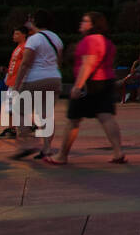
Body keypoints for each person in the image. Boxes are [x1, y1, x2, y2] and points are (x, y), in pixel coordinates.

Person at [48, 13, 125, 165]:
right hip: (106, 81)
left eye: (86, 21)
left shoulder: (90, 40)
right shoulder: (108, 42)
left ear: (94, 24)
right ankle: (118, 152)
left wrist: (77, 86)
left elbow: (88, 64)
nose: (82, 23)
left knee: (73, 120)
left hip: (90, 84)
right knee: (106, 116)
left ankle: (62, 156)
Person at [9, 11, 64, 161]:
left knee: (18, 110)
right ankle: (46, 148)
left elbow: (26, 63)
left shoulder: (34, 39)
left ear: (35, 22)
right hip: (54, 78)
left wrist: (17, 84)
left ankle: (28, 143)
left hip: (35, 78)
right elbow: (59, 61)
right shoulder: (57, 38)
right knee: (46, 115)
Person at [0, 26, 29, 139]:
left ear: (24, 35)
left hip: (17, 82)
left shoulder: (24, 47)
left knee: (13, 106)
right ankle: (15, 127)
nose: (14, 36)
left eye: (17, 34)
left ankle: (13, 128)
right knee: (12, 106)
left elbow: (25, 64)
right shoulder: (18, 48)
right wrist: (7, 72)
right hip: (12, 80)